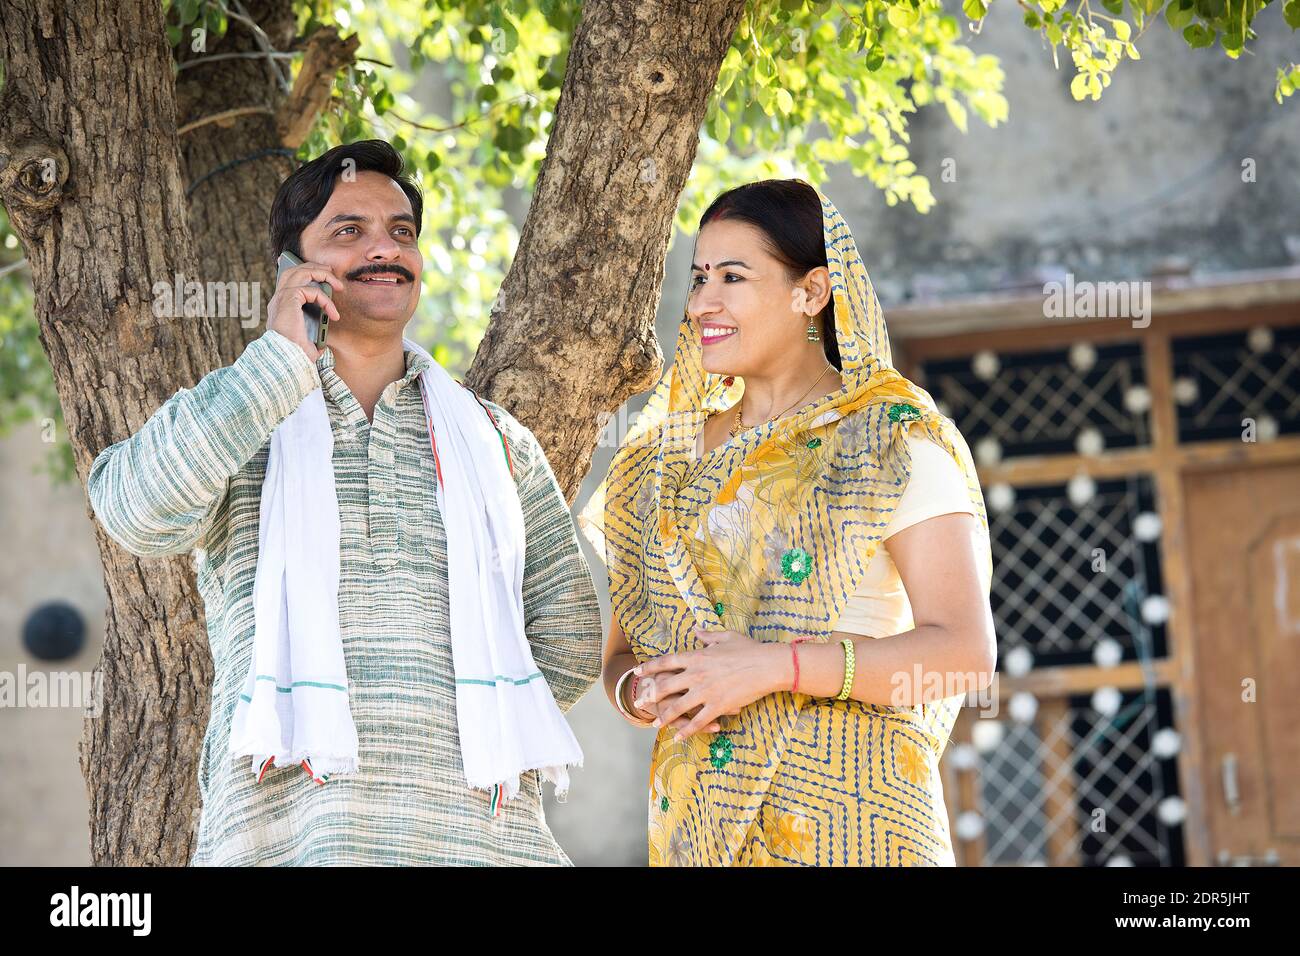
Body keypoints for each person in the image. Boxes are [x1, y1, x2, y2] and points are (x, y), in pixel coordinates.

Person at [87, 139, 602, 866]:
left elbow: (569, 636)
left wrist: (463, 717)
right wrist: (277, 364)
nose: (386, 249)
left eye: (401, 232)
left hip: (476, 842)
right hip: (289, 843)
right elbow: (134, 510)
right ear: (296, 270)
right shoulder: (243, 417)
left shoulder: (492, 441)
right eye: (348, 230)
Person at [579, 179, 996, 866]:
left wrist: (774, 667)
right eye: (700, 277)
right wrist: (647, 692)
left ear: (811, 292)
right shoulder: (657, 464)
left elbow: (963, 655)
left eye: (733, 277)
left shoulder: (887, 438)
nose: (704, 301)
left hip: (857, 821)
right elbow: (624, 661)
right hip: (702, 823)